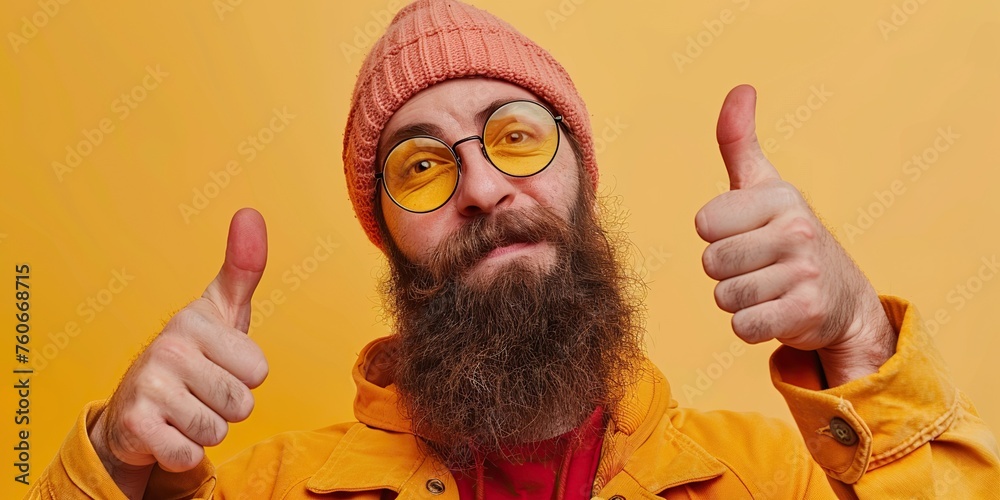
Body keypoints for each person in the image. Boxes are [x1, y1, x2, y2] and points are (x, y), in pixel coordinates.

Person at [28, 1, 1000, 498]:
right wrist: (114, 462)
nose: (484, 186)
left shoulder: (766, 476)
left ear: (583, 176)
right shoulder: (267, 488)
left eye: (517, 136)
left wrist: (861, 340)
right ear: (388, 239)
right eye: (420, 167)